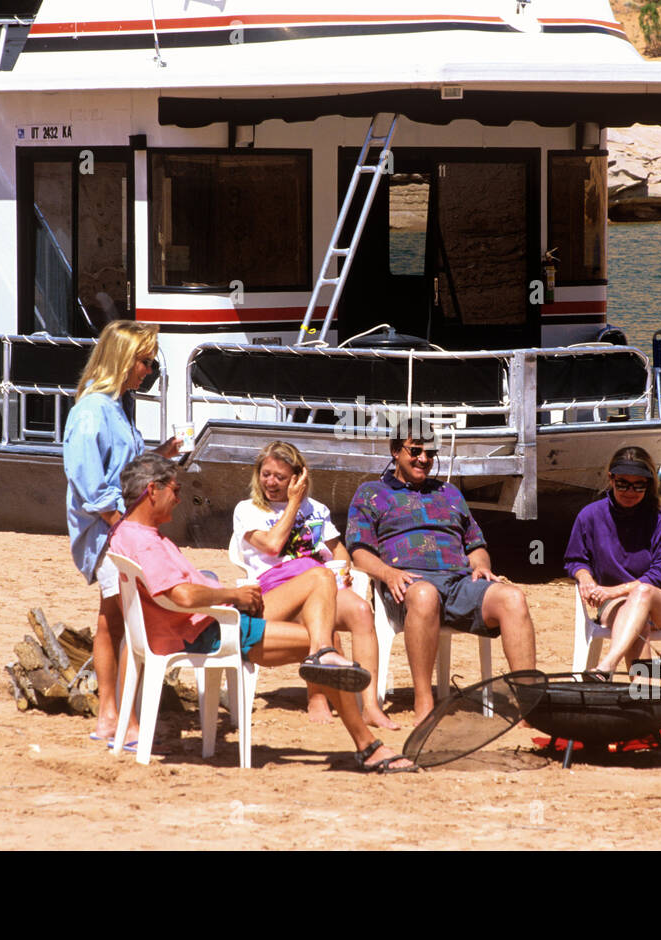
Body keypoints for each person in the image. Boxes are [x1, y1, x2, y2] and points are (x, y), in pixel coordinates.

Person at [110, 454, 417, 773]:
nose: (179, 498)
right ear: (152, 490)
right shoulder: (147, 543)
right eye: (175, 489)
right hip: (210, 630)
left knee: (320, 579)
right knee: (325, 629)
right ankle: (367, 744)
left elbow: (175, 589)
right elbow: (183, 595)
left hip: (200, 624)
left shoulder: (126, 531)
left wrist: (219, 590)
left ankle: (323, 657)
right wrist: (232, 594)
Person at [346, 419, 537, 720]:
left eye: (430, 453)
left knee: (512, 598)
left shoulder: (449, 494)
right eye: (415, 451)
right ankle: (425, 703)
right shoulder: (371, 493)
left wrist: (482, 567)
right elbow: (358, 551)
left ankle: (530, 706)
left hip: (459, 584)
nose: (424, 459)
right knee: (424, 594)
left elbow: (475, 544)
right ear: (395, 451)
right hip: (407, 587)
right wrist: (387, 574)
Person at [62, 320, 178, 747]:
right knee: (129, 620)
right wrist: (119, 525)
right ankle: (121, 717)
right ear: (125, 360)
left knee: (114, 619)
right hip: (111, 530)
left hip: (118, 526)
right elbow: (88, 480)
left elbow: (115, 471)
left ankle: (111, 714)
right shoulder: (93, 410)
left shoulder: (113, 405)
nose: (148, 370)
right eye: (145, 362)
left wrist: (158, 457)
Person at [232, 441, 398, 730]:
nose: (270, 482)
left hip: (320, 587)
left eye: (280, 477)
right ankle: (317, 695)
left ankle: (370, 706)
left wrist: (344, 570)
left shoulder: (317, 509)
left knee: (360, 609)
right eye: (266, 474)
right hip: (274, 595)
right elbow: (272, 546)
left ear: (297, 477)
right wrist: (294, 503)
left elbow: (339, 551)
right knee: (320, 585)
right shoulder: (248, 510)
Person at [564, 446, 661, 677]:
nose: (630, 491)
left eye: (638, 485)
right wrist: (585, 577)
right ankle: (642, 699)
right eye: (623, 484)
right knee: (637, 624)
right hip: (615, 606)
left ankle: (608, 665)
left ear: (649, 484)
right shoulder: (590, 515)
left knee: (643, 593)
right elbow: (575, 559)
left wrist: (612, 591)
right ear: (611, 479)